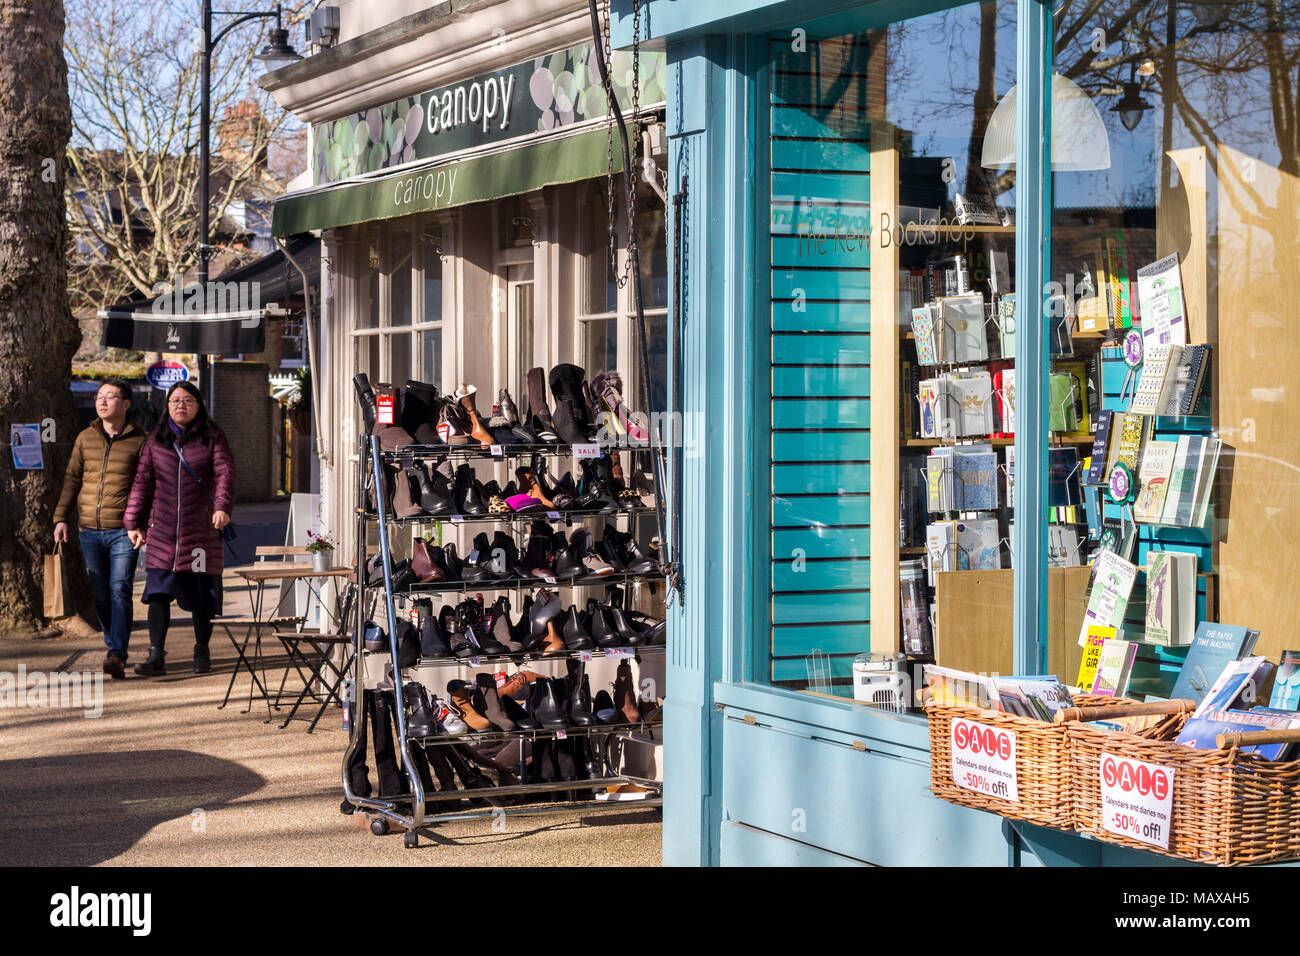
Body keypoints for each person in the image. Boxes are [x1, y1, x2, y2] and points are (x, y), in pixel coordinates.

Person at [123, 380, 236, 676]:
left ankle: (202, 651)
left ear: (198, 405)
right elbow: (142, 483)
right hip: (162, 533)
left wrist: (222, 507)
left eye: (187, 400)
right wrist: (133, 522)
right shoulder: (156, 440)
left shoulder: (212, 436)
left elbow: (225, 473)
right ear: (167, 406)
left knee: (201, 594)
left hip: (199, 531)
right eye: (175, 401)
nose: (180, 406)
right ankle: (156, 656)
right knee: (157, 593)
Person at [53, 380, 148, 679]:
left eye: (110, 397)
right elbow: (71, 480)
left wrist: (141, 524)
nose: (102, 402)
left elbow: (147, 486)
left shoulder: (140, 440)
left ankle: (117, 653)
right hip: (88, 530)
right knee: (100, 594)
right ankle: (112, 644)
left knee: (120, 589)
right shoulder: (85, 438)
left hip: (124, 530)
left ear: (126, 403)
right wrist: (60, 518)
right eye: (99, 397)